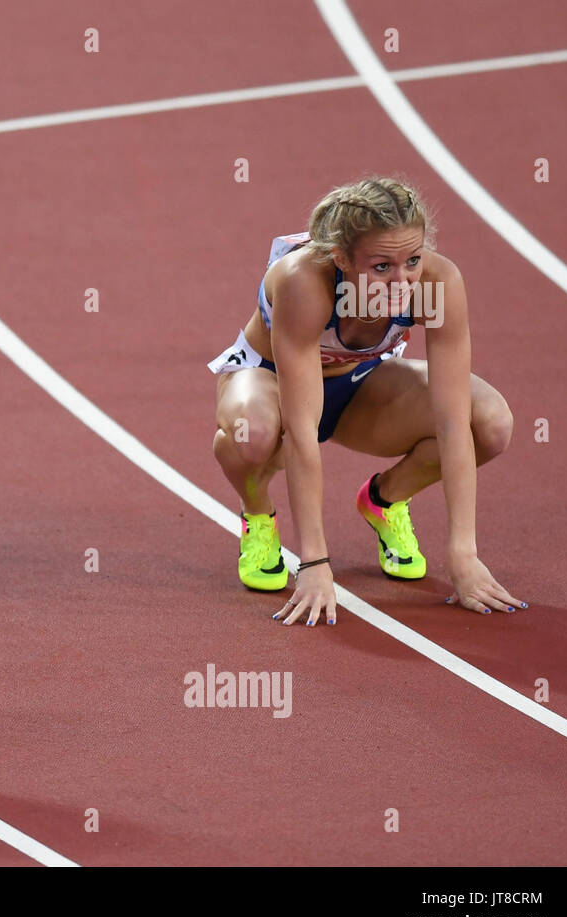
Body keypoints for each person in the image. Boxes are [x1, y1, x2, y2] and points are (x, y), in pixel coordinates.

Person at [208, 177, 523, 626]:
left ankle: (385, 500)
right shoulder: (305, 283)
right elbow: (302, 431)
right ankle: (258, 513)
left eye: (412, 260)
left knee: (488, 424)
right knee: (252, 435)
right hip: (271, 382)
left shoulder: (436, 284)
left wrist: (463, 554)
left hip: (361, 385)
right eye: (381, 267)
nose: (401, 281)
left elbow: (452, 421)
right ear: (340, 257)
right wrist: (314, 564)